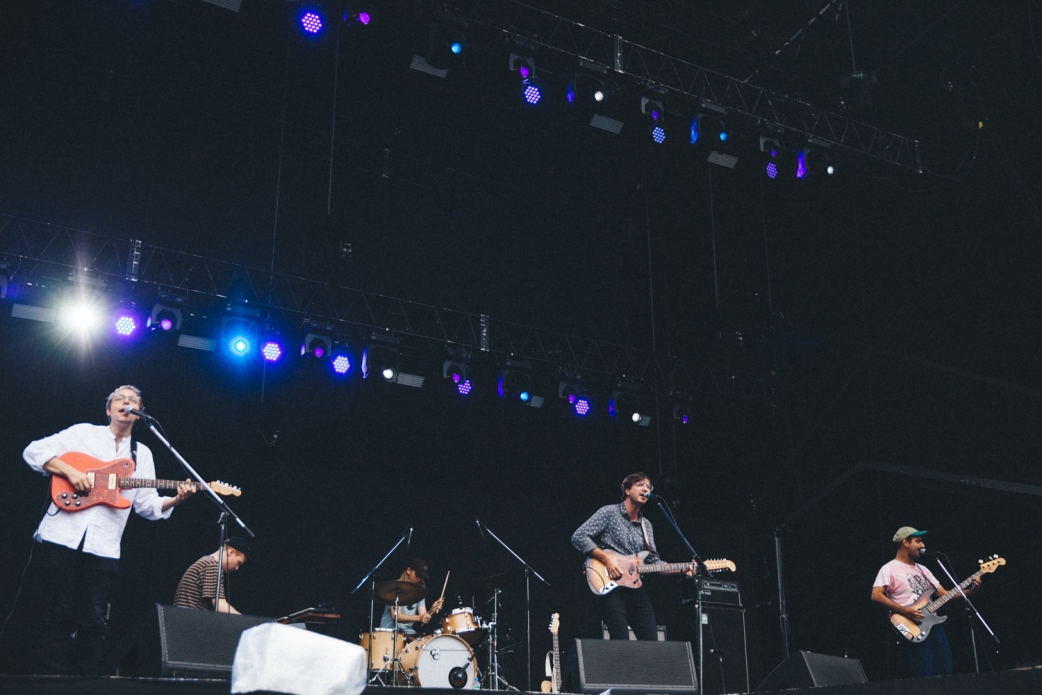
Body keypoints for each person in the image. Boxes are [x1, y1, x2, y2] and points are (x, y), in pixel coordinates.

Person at [23, 385, 196, 675]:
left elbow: (147, 506)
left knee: (94, 615)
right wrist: (71, 472)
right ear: (109, 409)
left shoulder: (142, 454)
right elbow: (33, 451)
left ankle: (85, 681)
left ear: (139, 414)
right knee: (58, 608)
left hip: (104, 545)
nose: (127, 403)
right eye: (121, 398)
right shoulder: (82, 434)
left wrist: (176, 499)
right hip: (62, 534)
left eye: (133, 401)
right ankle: (51, 677)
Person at [571, 472, 694, 640]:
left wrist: (682, 569)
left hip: (636, 588)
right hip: (611, 586)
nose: (646, 489)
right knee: (621, 640)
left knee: (651, 640)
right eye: (640, 485)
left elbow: (654, 563)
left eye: (649, 487)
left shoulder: (646, 525)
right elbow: (579, 536)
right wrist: (607, 560)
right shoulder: (609, 512)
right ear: (627, 490)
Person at [871, 526, 982, 678]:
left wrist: (971, 590)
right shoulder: (889, 568)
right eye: (918, 541)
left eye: (922, 541)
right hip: (909, 625)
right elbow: (876, 595)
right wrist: (906, 611)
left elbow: (944, 594)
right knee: (924, 672)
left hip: (933, 625)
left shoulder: (924, 569)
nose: (923, 545)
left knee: (945, 669)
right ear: (905, 542)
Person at [173, 537, 251, 614]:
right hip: (188, 622)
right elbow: (220, 606)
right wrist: (245, 622)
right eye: (239, 563)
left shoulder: (207, 562)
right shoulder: (212, 566)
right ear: (231, 552)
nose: (237, 568)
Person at [379, 558, 444, 639]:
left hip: (407, 632)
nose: (419, 579)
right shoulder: (395, 587)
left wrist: (432, 610)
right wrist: (418, 618)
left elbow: (423, 618)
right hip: (390, 633)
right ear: (409, 570)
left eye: (421, 577)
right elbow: (396, 616)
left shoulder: (419, 592)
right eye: (417, 575)